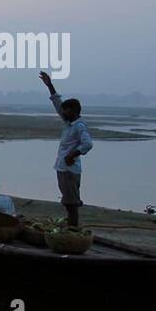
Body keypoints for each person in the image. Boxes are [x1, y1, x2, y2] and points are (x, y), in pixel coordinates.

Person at [40, 70, 93, 227]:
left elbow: (88, 144)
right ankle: (71, 227)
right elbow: (57, 104)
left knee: (72, 204)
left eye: (66, 110)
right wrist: (50, 85)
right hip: (63, 168)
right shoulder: (69, 123)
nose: (63, 113)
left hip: (70, 170)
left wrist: (72, 155)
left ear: (74, 111)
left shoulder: (79, 126)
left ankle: (73, 230)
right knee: (68, 202)